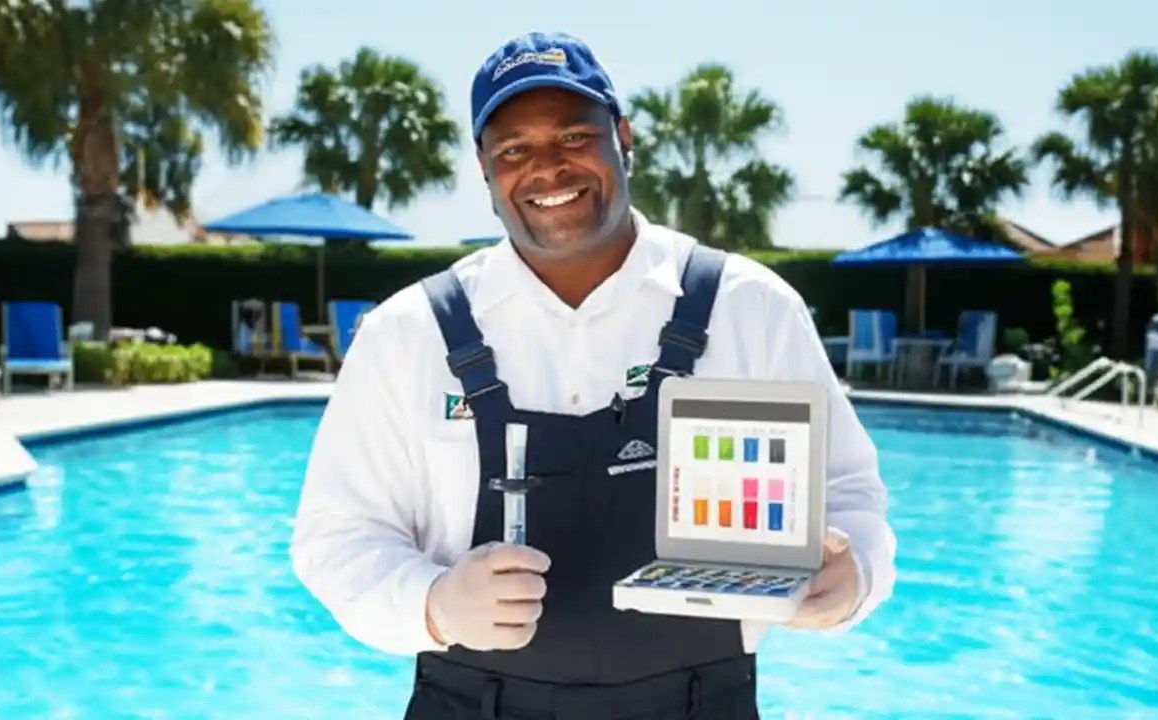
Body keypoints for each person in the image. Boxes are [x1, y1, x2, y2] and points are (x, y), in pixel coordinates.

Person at [290, 30, 897, 720]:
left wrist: (854, 580)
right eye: (514, 148)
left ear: (624, 138)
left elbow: (849, 498)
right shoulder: (409, 334)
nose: (547, 167)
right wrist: (432, 605)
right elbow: (335, 538)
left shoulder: (750, 308)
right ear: (485, 168)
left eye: (575, 137)